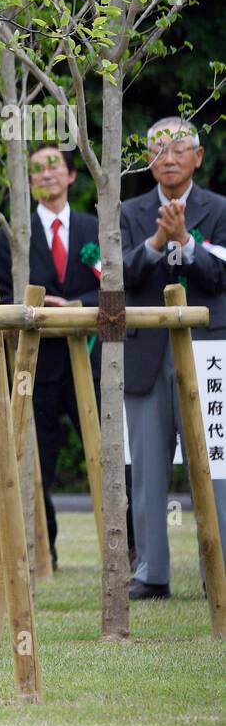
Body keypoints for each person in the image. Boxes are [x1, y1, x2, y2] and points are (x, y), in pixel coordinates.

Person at [121, 118, 226, 600]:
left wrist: (186, 240)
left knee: (216, 466)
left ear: (198, 157)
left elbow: (218, 276)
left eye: (178, 149)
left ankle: (218, 569)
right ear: (148, 160)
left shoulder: (219, 210)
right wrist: (159, 242)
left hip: (208, 354)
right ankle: (151, 572)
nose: (168, 158)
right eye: (158, 150)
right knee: (146, 468)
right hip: (147, 352)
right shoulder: (129, 211)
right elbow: (120, 275)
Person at [0, 143, 100, 569]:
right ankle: (43, 548)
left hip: (89, 359)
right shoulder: (12, 232)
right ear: (28, 180)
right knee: (36, 460)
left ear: (72, 175)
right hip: (33, 364)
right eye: (37, 169)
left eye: (55, 166)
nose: (47, 175)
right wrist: (35, 310)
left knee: (108, 454)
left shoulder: (96, 227)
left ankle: (125, 546)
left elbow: (112, 287)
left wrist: (73, 307)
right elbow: (2, 293)